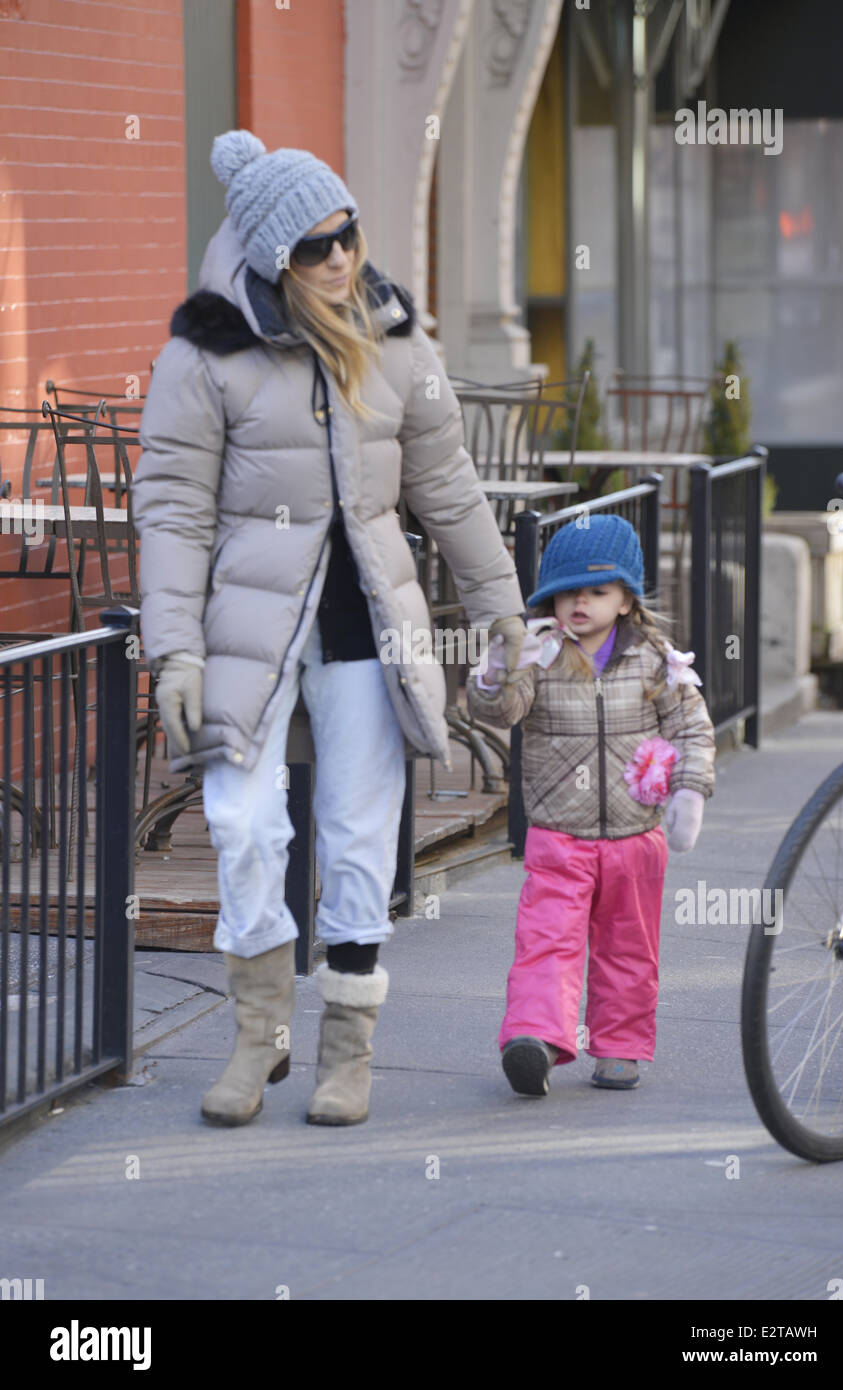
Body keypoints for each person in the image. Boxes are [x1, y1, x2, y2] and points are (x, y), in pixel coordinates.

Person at [132, 129, 528, 1128]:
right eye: (316, 247)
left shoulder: (396, 338)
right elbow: (173, 505)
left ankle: (347, 1045)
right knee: (242, 826)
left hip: (366, 628)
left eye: (346, 234)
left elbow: (446, 484)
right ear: (272, 255)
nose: (341, 258)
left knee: (356, 834)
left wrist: (500, 606)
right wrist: (173, 644)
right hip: (245, 632)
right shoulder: (204, 350)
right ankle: (258, 1035)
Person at [466, 513, 716, 1095]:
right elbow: (501, 712)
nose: (580, 602)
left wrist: (690, 790)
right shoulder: (543, 654)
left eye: (597, 591)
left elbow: (693, 730)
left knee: (629, 947)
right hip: (559, 833)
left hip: (636, 838)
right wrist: (500, 670)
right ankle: (534, 1038)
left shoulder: (657, 660)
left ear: (626, 599)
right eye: (566, 592)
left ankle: (620, 1045)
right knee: (546, 940)